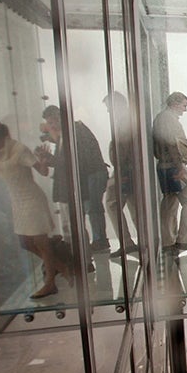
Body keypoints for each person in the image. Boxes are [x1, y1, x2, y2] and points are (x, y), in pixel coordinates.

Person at [0, 117, 69, 299]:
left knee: (40, 241)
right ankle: (62, 267)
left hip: (31, 198)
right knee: (25, 242)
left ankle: (50, 283)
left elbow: (43, 171)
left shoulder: (18, 149)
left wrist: (42, 161)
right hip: (17, 200)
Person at [34, 105, 110, 256]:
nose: (52, 126)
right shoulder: (70, 132)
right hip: (90, 174)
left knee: (92, 208)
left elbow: (74, 160)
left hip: (93, 174)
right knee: (91, 208)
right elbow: (66, 161)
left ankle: (100, 241)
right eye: (50, 123)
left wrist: (51, 153)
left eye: (53, 121)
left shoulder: (74, 131)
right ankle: (98, 241)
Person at [152, 91, 187, 253]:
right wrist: (180, 168)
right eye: (184, 106)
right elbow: (171, 143)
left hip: (168, 164)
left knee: (170, 203)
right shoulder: (167, 119)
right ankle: (181, 240)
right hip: (173, 165)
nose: (185, 110)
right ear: (174, 103)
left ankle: (170, 242)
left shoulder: (162, 118)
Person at [102, 92, 140, 258]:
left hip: (124, 170)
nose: (108, 111)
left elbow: (122, 149)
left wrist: (122, 171)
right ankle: (140, 242)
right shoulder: (127, 120)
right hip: (129, 170)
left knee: (112, 203)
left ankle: (127, 243)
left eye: (109, 107)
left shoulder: (124, 121)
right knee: (134, 207)